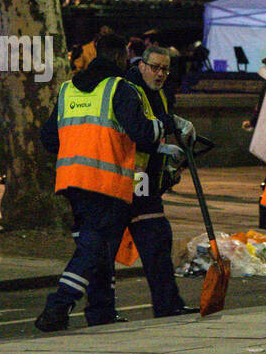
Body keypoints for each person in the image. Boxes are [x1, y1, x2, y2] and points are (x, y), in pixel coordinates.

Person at [35, 33, 188, 331]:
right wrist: (170, 125)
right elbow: (142, 133)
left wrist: (78, 151)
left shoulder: (68, 90)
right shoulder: (120, 88)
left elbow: (49, 138)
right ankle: (57, 306)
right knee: (91, 251)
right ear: (123, 57)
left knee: (94, 249)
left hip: (71, 182)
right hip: (105, 184)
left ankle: (97, 311)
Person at [119, 45, 192, 317]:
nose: (161, 74)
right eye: (156, 67)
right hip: (127, 178)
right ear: (142, 66)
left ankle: (168, 304)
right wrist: (162, 145)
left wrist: (173, 126)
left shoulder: (158, 92)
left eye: (166, 69)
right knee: (149, 238)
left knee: (157, 239)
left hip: (142, 179)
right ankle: (100, 310)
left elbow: (158, 122)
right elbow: (137, 130)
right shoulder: (129, 90)